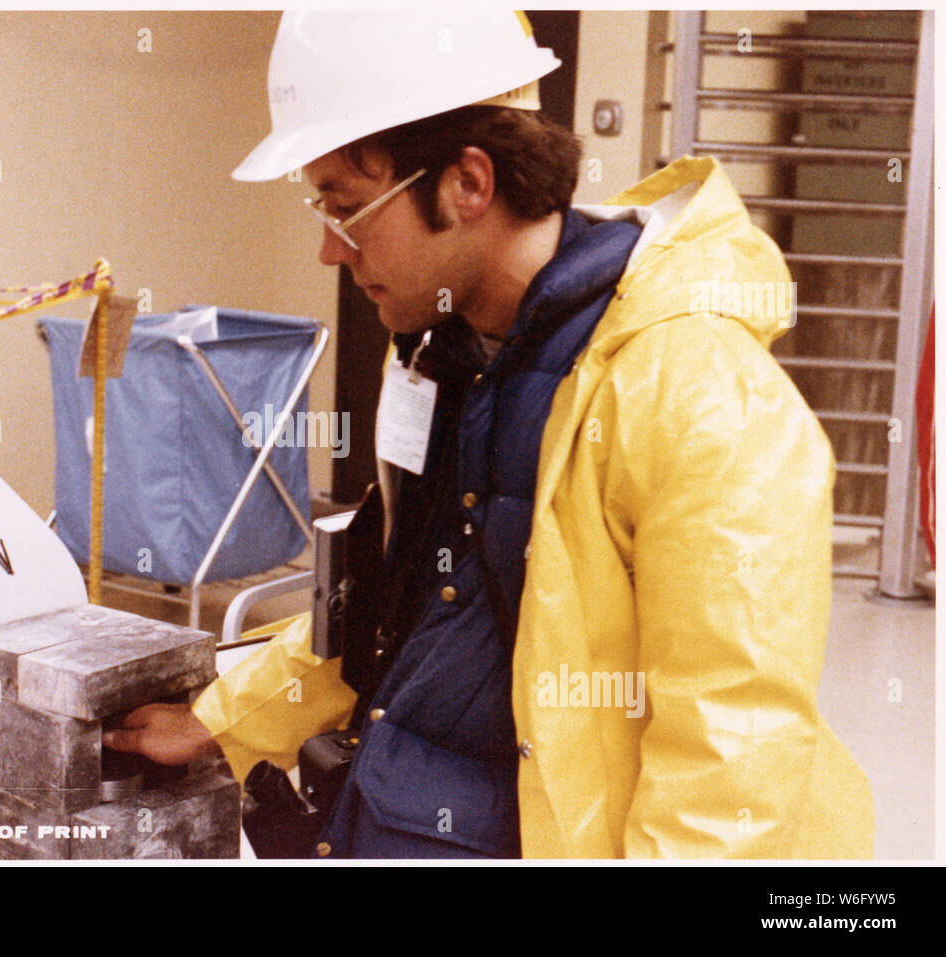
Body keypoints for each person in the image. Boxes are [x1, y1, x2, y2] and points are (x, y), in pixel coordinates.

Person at [103, 10, 875, 859]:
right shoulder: (450, 356)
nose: (329, 248)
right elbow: (385, 614)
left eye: (348, 208)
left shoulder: (698, 393)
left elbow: (732, 759)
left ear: (468, 183)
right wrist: (218, 719)